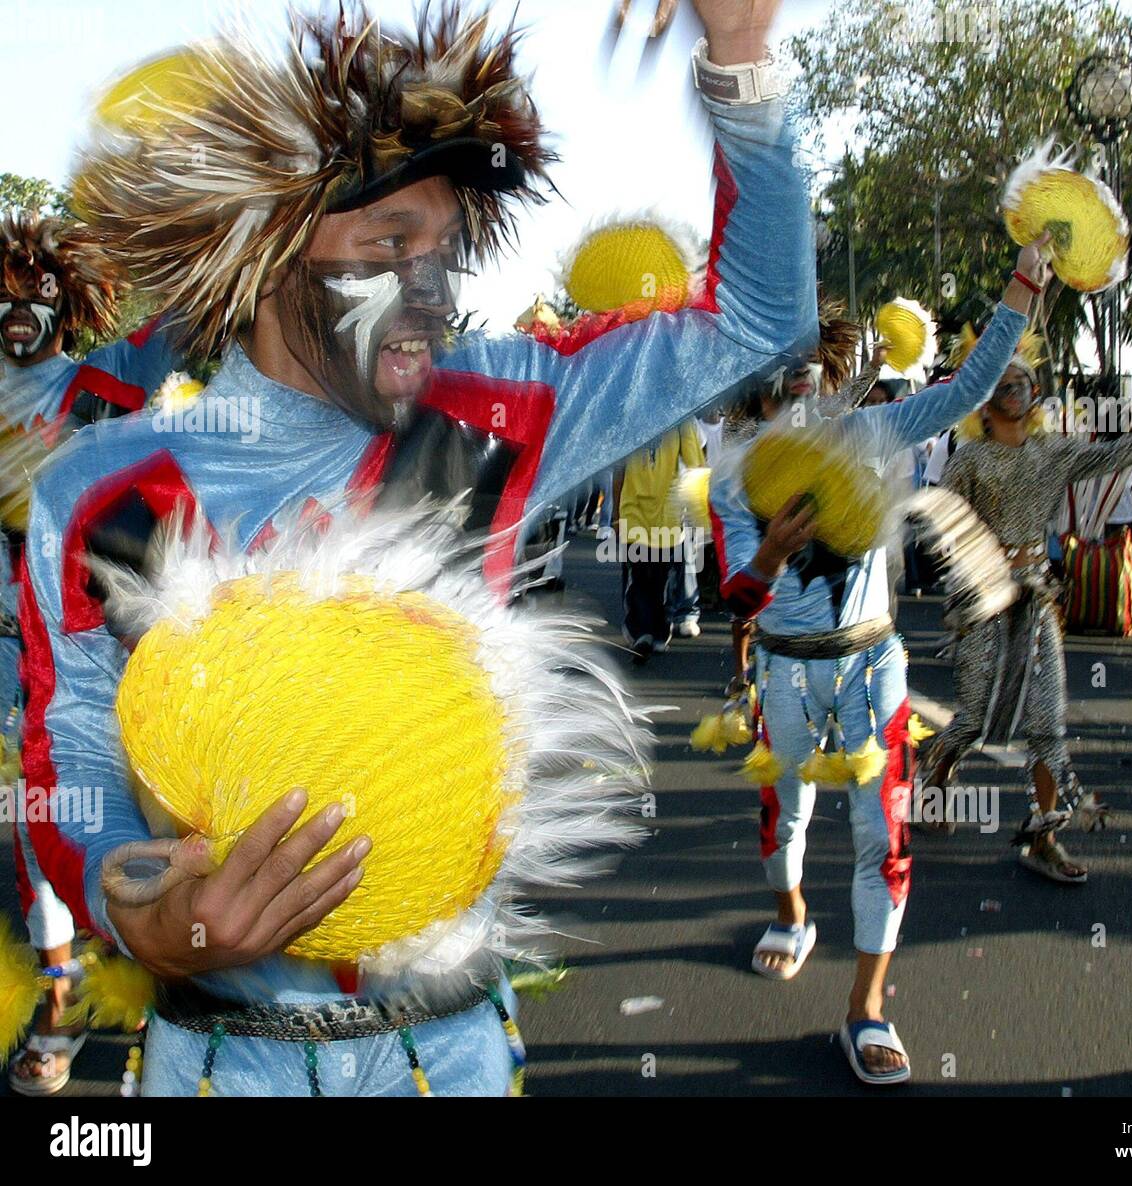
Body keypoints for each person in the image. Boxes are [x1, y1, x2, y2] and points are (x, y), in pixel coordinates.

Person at [20, 1, 815, 1096]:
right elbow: (71, 751)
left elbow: (756, 322)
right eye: (389, 244)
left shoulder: (497, 413)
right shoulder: (104, 485)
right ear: (269, 254)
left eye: (443, 249)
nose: (431, 287)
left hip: (447, 1053)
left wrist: (740, 59)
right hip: (217, 1061)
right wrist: (143, 912)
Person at [709, 239, 1049, 1086]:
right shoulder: (735, 474)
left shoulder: (877, 426)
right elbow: (734, 600)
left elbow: (968, 390)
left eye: (807, 365)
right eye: (779, 368)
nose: (798, 382)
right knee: (784, 821)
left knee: (883, 838)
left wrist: (1021, 288)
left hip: (872, 668)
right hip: (782, 673)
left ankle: (865, 1008)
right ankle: (791, 915)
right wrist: (770, 559)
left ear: (827, 367)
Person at [0, 209, 180, 1094]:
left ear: (64, 303)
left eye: (36, 293)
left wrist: (220, 224)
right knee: (35, 820)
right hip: (7, 654)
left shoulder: (100, 383)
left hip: (101, 644)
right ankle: (67, 989)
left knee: (127, 802)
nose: (19, 310)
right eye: (4, 297)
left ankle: (141, 966)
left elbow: (183, 319)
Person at [915, 336, 1132, 885]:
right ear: (984, 404)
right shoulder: (968, 460)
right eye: (1000, 384)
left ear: (1035, 393)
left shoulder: (1052, 452)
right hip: (982, 603)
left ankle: (1043, 837)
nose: (1011, 390)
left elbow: (1123, 453)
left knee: (1047, 725)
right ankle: (933, 780)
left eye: (1020, 382)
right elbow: (938, 528)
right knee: (973, 720)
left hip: (1037, 598)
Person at [618, 421, 707, 662]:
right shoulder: (635, 409)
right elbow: (695, 464)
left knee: (648, 576)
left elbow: (694, 464)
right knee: (648, 575)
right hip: (646, 510)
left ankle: (648, 631)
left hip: (651, 511)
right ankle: (648, 633)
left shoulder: (678, 415)